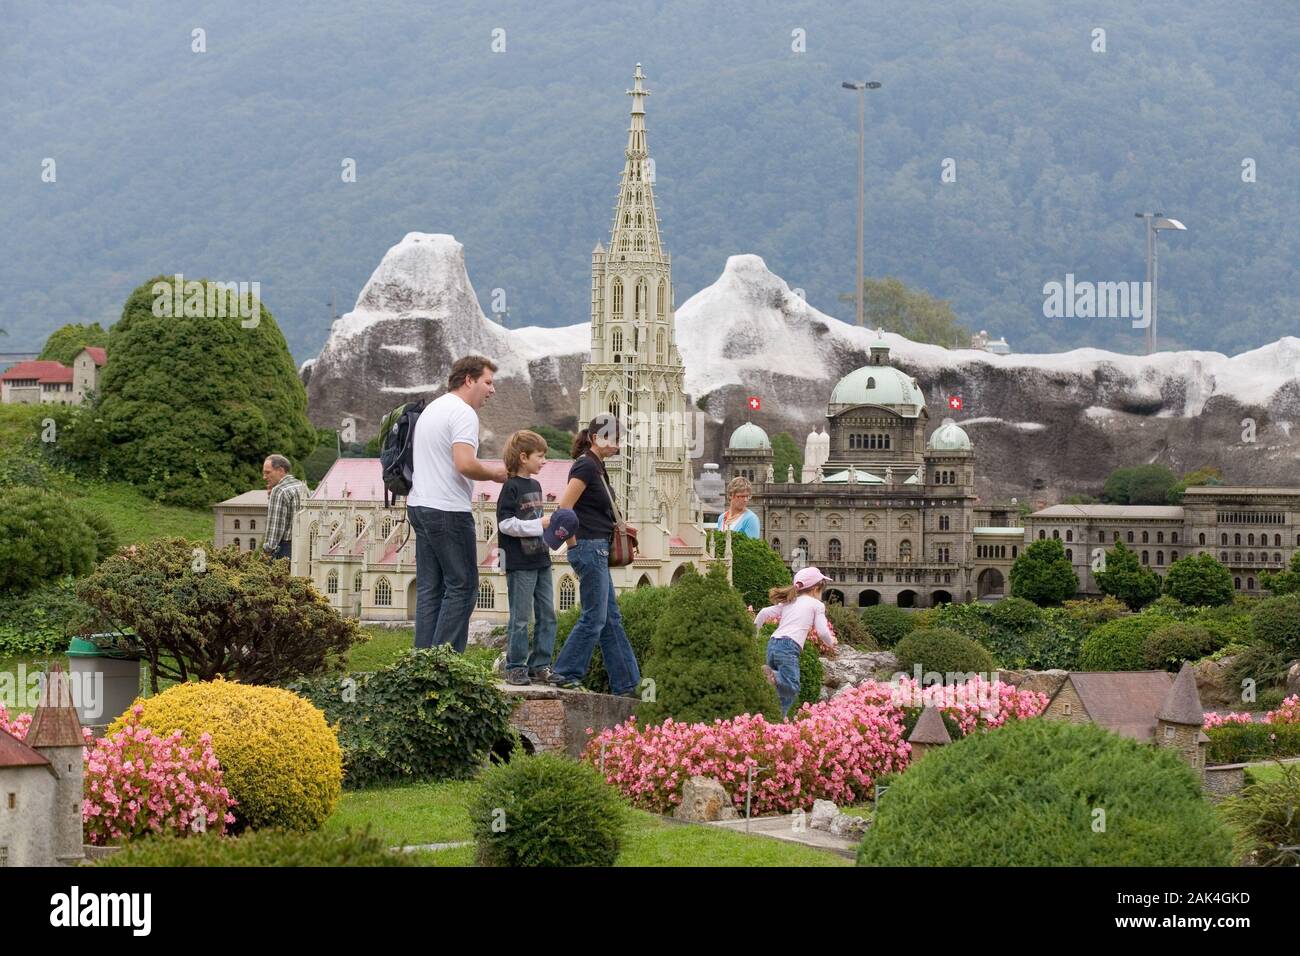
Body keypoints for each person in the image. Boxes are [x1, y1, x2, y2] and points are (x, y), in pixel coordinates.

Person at [406, 355, 508, 652]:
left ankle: (420, 664)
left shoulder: (432, 409)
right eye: (488, 382)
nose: (492, 390)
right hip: (448, 510)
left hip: (420, 505)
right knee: (463, 587)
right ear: (469, 380)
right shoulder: (463, 413)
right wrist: (497, 474)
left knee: (430, 589)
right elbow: (464, 464)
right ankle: (444, 666)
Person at [546, 414, 641, 695]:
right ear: (596, 438)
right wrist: (574, 544)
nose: (619, 445)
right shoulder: (586, 466)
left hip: (596, 547)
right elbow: (564, 509)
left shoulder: (596, 467)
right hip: (589, 548)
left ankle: (627, 684)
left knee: (610, 618)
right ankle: (564, 672)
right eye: (614, 438)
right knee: (595, 617)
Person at [496, 429, 559, 686]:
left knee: (548, 614)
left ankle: (540, 664)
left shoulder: (535, 485)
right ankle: (515, 666)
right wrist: (540, 525)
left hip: (541, 559)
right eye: (540, 456)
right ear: (523, 457)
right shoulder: (510, 487)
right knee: (521, 617)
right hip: (520, 563)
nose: (544, 461)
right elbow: (504, 524)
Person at [753, 567, 837, 719]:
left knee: (783, 694)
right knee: (792, 685)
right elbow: (823, 631)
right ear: (816, 588)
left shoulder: (790, 602)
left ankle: (776, 721)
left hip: (773, 644)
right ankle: (770, 674)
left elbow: (764, 612)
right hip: (789, 647)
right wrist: (831, 643)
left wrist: (754, 633)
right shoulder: (817, 605)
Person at [262, 454, 306, 561]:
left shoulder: (279, 490)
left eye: (268, 472)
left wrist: (267, 550)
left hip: (284, 548)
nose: (264, 477)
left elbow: (276, 528)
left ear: (281, 470)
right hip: (304, 545)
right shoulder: (301, 486)